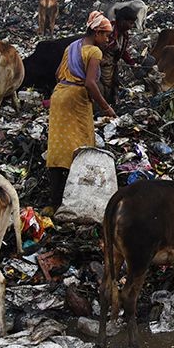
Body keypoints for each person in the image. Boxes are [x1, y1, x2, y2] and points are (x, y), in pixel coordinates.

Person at [45, 11, 116, 208]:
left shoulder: (71, 47)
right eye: (106, 35)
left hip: (59, 96)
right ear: (97, 33)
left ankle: (53, 202)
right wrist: (106, 107)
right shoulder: (94, 52)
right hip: (76, 100)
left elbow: (59, 73)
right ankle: (75, 198)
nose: (108, 40)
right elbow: (90, 84)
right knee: (82, 147)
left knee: (58, 148)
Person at [100, 6, 138, 104]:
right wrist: (101, 61)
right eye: (130, 23)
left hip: (112, 64)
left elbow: (123, 51)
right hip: (100, 64)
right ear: (122, 21)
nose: (132, 26)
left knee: (114, 84)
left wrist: (131, 62)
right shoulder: (108, 30)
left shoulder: (124, 35)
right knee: (102, 86)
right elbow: (98, 47)